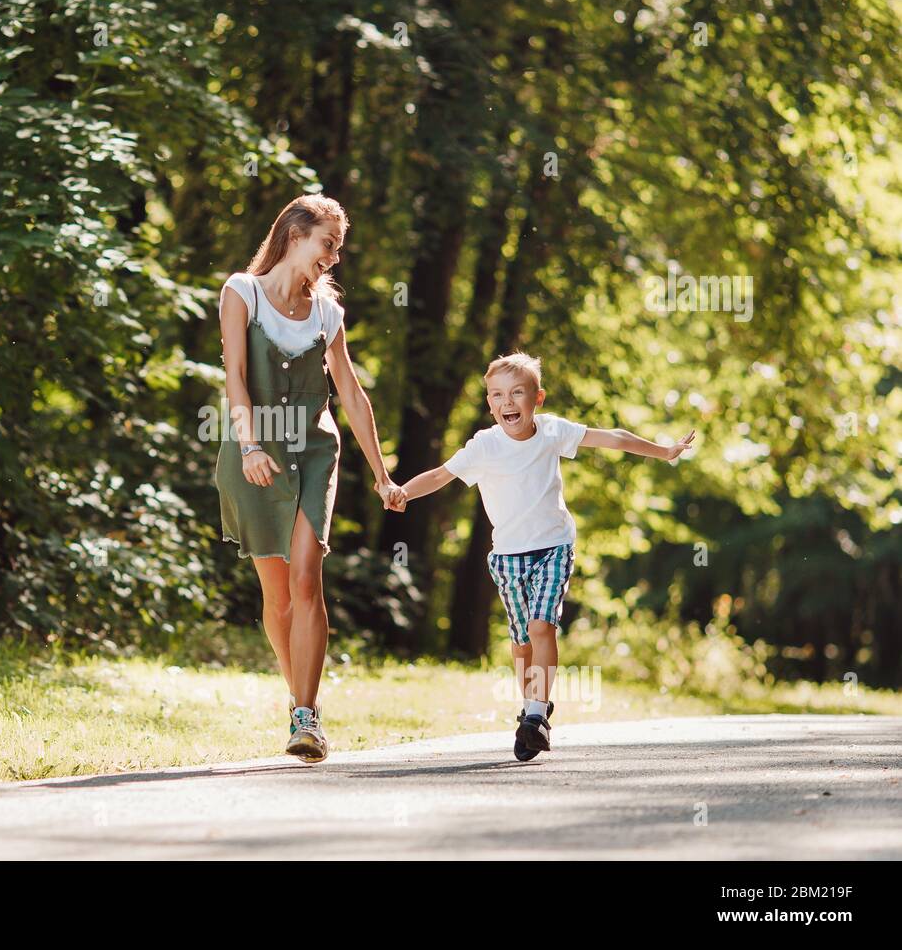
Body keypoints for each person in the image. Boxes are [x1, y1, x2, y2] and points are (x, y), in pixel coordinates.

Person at [393, 351, 694, 760]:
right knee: (520, 645)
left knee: (542, 629)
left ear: (538, 398)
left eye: (517, 393)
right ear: (489, 403)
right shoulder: (484, 446)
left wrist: (664, 451)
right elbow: (441, 475)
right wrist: (403, 492)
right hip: (507, 557)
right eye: (497, 395)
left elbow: (614, 437)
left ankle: (535, 717)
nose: (507, 403)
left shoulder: (553, 432)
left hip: (554, 546)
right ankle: (531, 709)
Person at [215, 194, 405, 763]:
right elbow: (236, 376)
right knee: (276, 595)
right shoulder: (241, 292)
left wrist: (381, 474)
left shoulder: (328, 313)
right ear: (296, 233)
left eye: (339, 248)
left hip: (315, 450)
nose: (334, 257)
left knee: (305, 579)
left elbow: (349, 392)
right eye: (329, 243)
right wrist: (249, 444)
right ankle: (294, 692)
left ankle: (307, 714)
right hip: (257, 451)